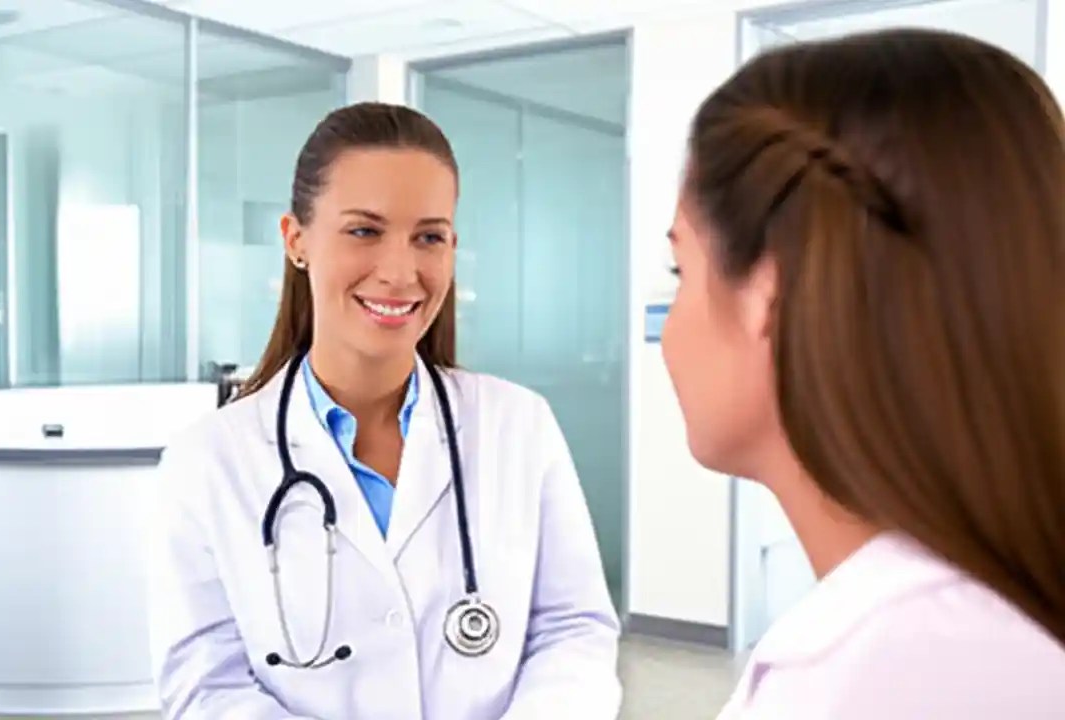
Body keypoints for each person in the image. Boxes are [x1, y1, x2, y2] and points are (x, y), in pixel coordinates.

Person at [148, 102, 621, 720]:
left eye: (429, 237)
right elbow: (204, 684)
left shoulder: (519, 426)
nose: (401, 273)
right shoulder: (207, 459)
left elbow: (574, 629)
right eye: (364, 231)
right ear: (296, 241)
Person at [662, 28, 1065, 718]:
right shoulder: (997, 617)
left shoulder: (876, 679)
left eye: (681, 272)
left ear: (767, 292)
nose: (669, 327)